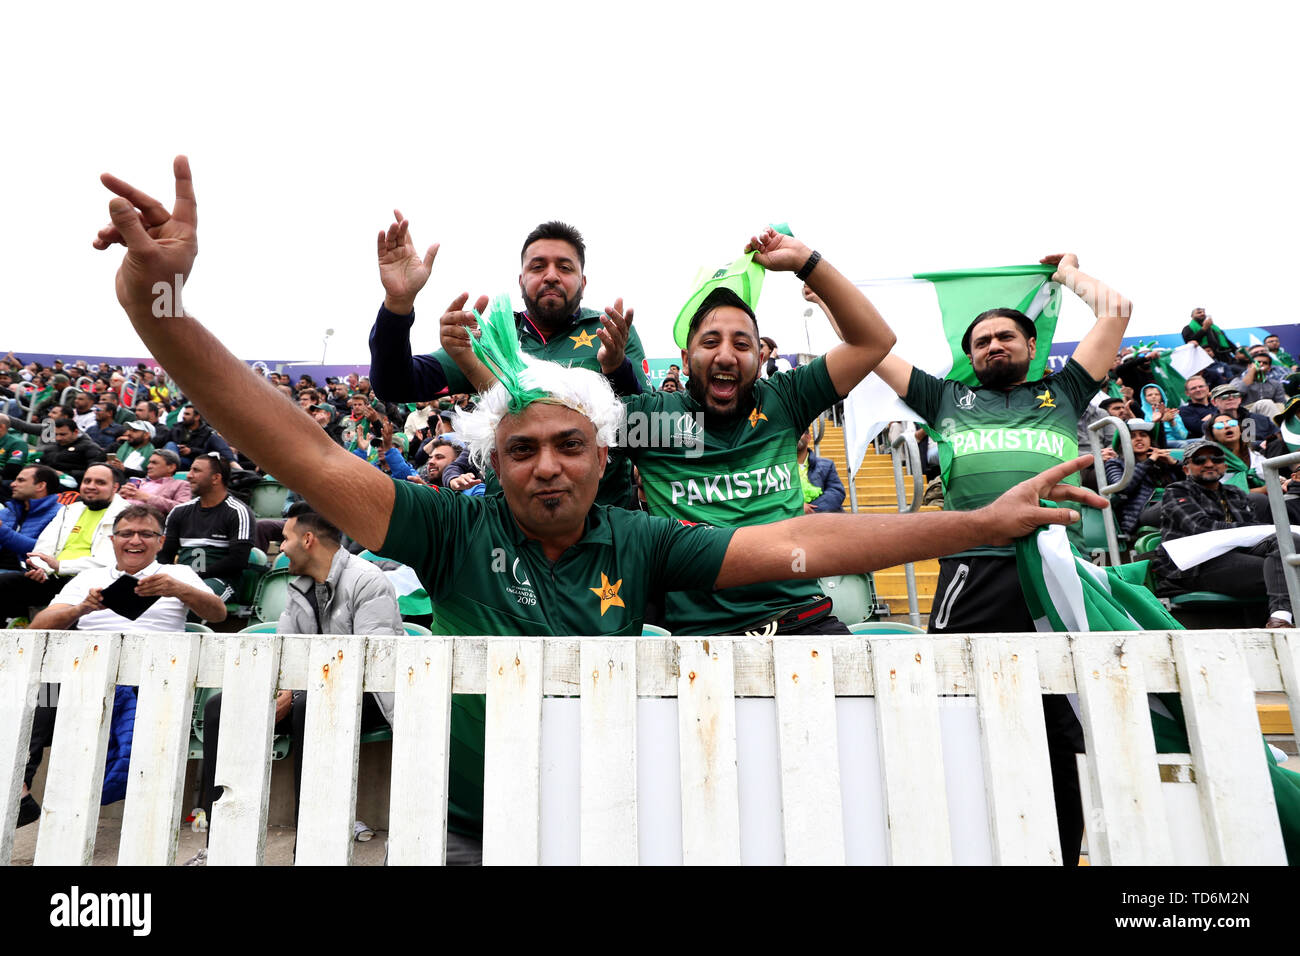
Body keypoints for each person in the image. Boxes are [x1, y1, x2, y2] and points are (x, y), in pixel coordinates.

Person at [91, 154, 1105, 855]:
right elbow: (294, 443)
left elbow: (801, 539)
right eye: (520, 447)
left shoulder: (642, 539)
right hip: (465, 827)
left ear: (603, 455)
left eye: (571, 445)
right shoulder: (445, 532)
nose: (544, 466)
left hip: (618, 815)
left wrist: (979, 524)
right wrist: (157, 302)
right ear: (489, 461)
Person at [871, 252, 1133, 863]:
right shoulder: (944, 401)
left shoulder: (1066, 392)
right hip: (972, 577)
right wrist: (820, 297)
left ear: (1031, 343)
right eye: (981, 340)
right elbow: (871, 348)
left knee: (1059, 732)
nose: (993, 346)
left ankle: (1062, 855)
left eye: (1005, 336)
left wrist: (1067, 272)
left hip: (1054, 580)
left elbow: (1116, 310)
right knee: (956, 718)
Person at [366, 214, 647, 507]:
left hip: (605, 521)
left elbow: (647, 426)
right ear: (521, 280)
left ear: (583, 281)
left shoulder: (610, 331)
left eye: (564, 267)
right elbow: (394, 384)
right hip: (508, 527)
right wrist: (397, 306)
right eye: (538, 267)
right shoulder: (493, 337)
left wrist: (617, 369)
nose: (551, 275)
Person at [195, 504, 400, 860]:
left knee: (310, 706)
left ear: (308, 540)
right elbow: (285, 652)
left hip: (373, 696)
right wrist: (280, 693)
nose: (281, 546)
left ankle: (310, 844)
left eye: (286, 538)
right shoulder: (299, 586)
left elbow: (375, 662)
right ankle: (220, 843)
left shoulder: (368, 580)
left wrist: (298, 693)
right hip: (313, 692)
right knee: (219, 707)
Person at [17, 503, 227, 827]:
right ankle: (20, 788)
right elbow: (38, 627)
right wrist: (81, 609)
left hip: (152, 680)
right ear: (112, 540)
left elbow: (217, 614)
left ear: (161, 541)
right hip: (84, 679)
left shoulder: (179, 574)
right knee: (40, 692)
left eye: (146, 533)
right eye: (126, 533)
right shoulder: (90, 577)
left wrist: (178, 589)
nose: (135, 540)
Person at [1150, 440, 1296, 628]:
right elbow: (1200, 527)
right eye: (1200, 460)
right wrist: (1247, 529)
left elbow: (1251, 529)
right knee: (1284, 570)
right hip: (1198, 563)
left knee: (1289, 540)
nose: (1209, 464)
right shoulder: (1177, 491)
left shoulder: (1235, 492)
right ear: (1186, 469)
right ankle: (1280, 620)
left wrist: (1253, 530)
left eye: (1216, 458)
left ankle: (1280, 617)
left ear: (1225, 466)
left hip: (1236, 554)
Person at [0, 463, 128, 622]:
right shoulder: (69, 510)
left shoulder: (126, 515)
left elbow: (111, 562)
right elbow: (43, 547)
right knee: (5, 583)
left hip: (94, 582)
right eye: (87, 481)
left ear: (115, 487)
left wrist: (60, 566)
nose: (91, 486)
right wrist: (41, 569)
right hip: (53, 578)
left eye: (100, 483)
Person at [158, 451, 253, 602]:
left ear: (216, 478)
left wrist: (192, 577)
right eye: (190, 470)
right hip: (182, 580)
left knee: (193, 601)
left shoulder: (238, 511)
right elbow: (165, 555)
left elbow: (237, 560)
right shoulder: (179, 512)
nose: (189, 475)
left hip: (222, 582)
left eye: (196, 470)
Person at [1103, 421, 1182, 534]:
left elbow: (1189, 484)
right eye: (1132, 436)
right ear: (1122, 443)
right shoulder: (1115, 464)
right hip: (1142, 513)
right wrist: (1148, 461)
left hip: (1173, 504)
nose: (1139, 439)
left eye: (1143, 435)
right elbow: (1123, 488)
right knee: (1178, 502)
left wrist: (1174, 464)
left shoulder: (1162, 462)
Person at [0, 465, 63, 571]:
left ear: (40, 486)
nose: (12, 484)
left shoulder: (60, 514)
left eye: (20, 480)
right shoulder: (8, 511)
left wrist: (2, 531)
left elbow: (42, 550)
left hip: (24, 574)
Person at [1205, 412, 1266, 494]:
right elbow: (1219, 493)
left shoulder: (1254, 455)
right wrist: (1261, 491)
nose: (1227, 426)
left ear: (1240, 430)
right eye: (1219, 425)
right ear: (1213, 436)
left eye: (1232, 423)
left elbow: (1272, 476)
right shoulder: (1211, 462)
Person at [119, 447, 192, 514]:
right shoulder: (139, 481)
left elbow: (184, 509)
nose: (148, 466)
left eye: (154, 463)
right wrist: (119, 496)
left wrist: (147, 498)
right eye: (149, 462)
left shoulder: (181, 484)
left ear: (171, 467)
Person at [34, 417, 106, 483]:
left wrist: (68, 474)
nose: (58, 438)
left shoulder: (89, 447)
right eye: (56, 434)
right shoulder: (52, 446)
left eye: (63, 434)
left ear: (75, 432)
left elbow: (95, 471)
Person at [797, 428, 846, 513]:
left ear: (808, 437)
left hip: (821, 517)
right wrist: (797, 506)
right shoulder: (779, 467)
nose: (795, 437)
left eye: (799, 433)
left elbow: (836, 492)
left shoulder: (826, 465)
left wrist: (810, 510)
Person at [1177, 373, 1214, 439]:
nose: (1198, 390)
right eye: (1193, 388)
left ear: (1207, 389)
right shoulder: (1184, 410)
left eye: (1201, 386)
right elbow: (1199, 428)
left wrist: (1209, 418)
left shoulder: (1217, 404)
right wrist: (1215, 415)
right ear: (1187, 393)